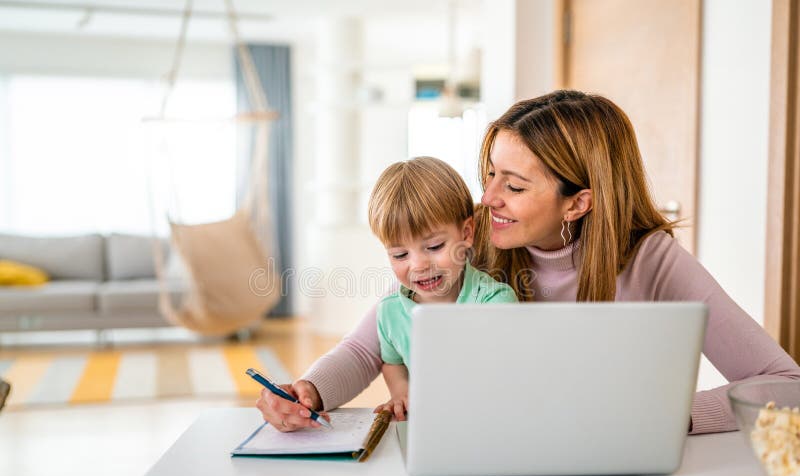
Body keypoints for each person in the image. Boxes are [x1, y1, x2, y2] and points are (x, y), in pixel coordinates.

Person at [256, 89, 800, 434]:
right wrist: (310, 390)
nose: (488, 197)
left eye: (514, 186)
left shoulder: (651, 259)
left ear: (578, 203)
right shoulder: (467, 236)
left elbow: (785, 385)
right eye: (490, 173)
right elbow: (369, 343)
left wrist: (673, 417)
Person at [367, 157, 517, 421]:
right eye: (400, 254)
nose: (418, 265)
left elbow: (509, 374)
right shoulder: (390, 311)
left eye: (434, 247)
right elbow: (393, 361)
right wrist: (401, 392)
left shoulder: (495, 301)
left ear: (466, 233)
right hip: (432, 425)